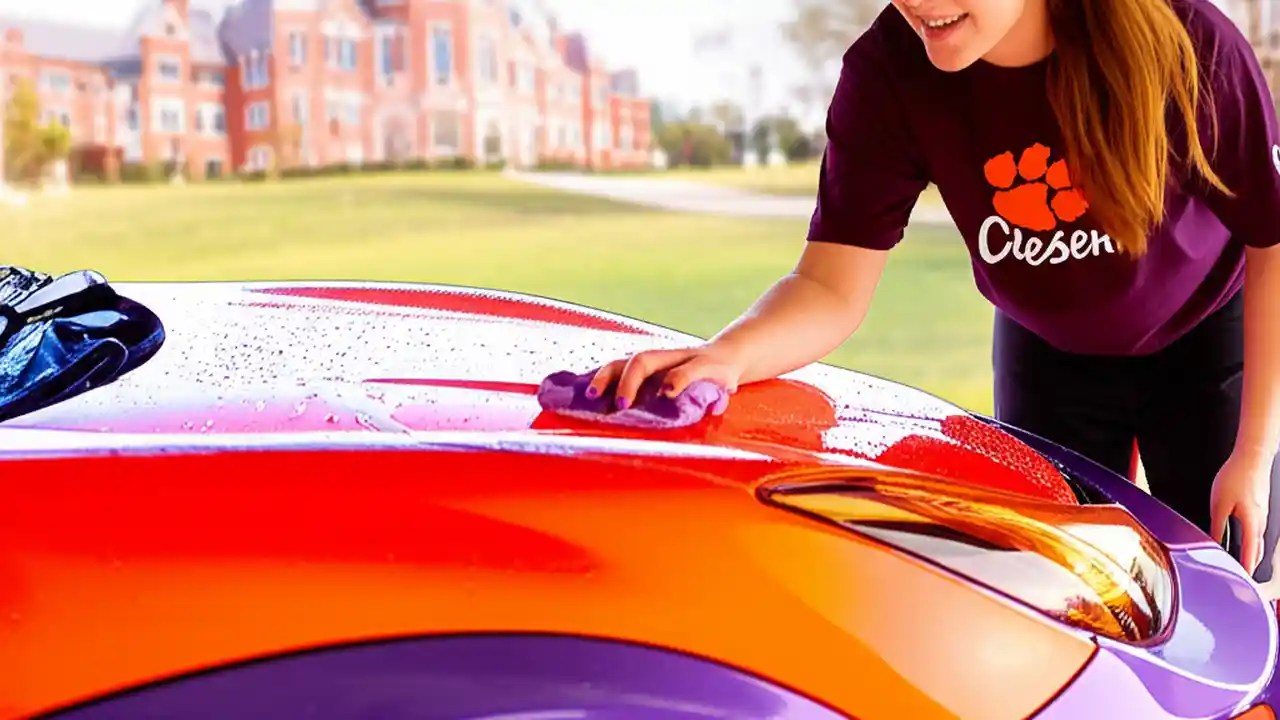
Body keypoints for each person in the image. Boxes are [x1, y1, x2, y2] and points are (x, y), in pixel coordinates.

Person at [587, 0, 1280, 581]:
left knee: (1229, 586)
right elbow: (830, 284)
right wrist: (725, 357)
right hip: (1049, 354)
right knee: (1052, 590)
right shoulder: (888, 73)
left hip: (1205, 342)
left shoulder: (1187, 43)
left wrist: (1252, 453)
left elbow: (1272, 237)